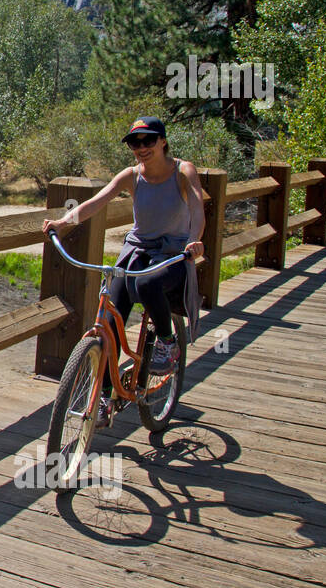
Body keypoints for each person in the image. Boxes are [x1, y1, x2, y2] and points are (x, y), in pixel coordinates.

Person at [41, 116, 205, 428]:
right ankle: (104, 398)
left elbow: (197, 207)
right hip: (137, 253)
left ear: (163, 141)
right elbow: (94, 204)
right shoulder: (131, 176)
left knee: (146, 286)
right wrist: (63, 224)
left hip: (172, 254)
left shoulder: (183, 171)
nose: (141, 148)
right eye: (134, 142)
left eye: (148, 140)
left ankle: (168, 343)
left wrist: (195, 240)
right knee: (109, 321)